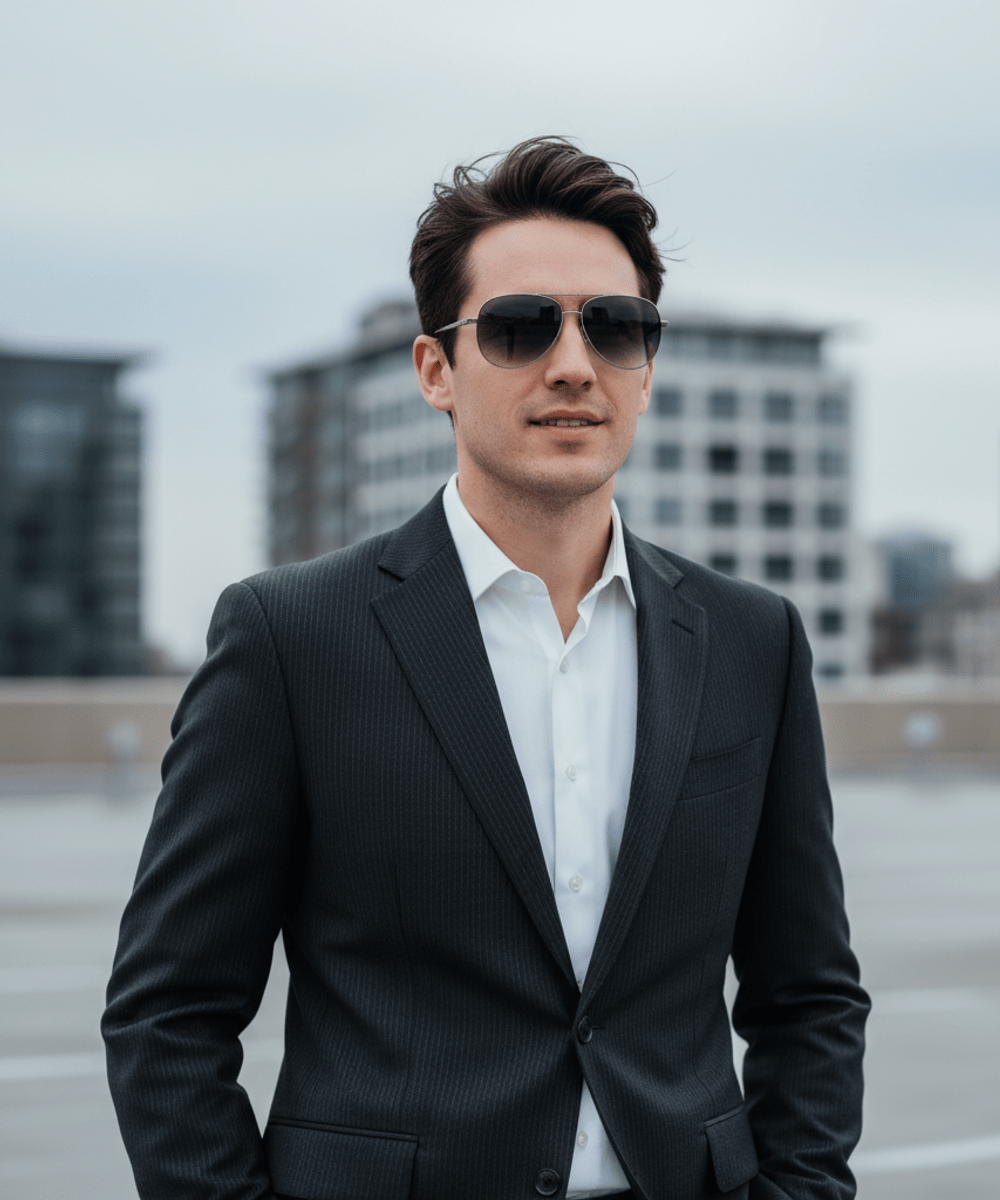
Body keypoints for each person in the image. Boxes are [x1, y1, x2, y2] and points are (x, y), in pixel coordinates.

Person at [103, 137, 868, 1200]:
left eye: (614, 327)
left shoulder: (754, 640)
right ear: (436, 372)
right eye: (518, 328)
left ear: (646, 367)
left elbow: (810, 993)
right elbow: (167, 1012)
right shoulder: (290, 637)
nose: (572, 363)